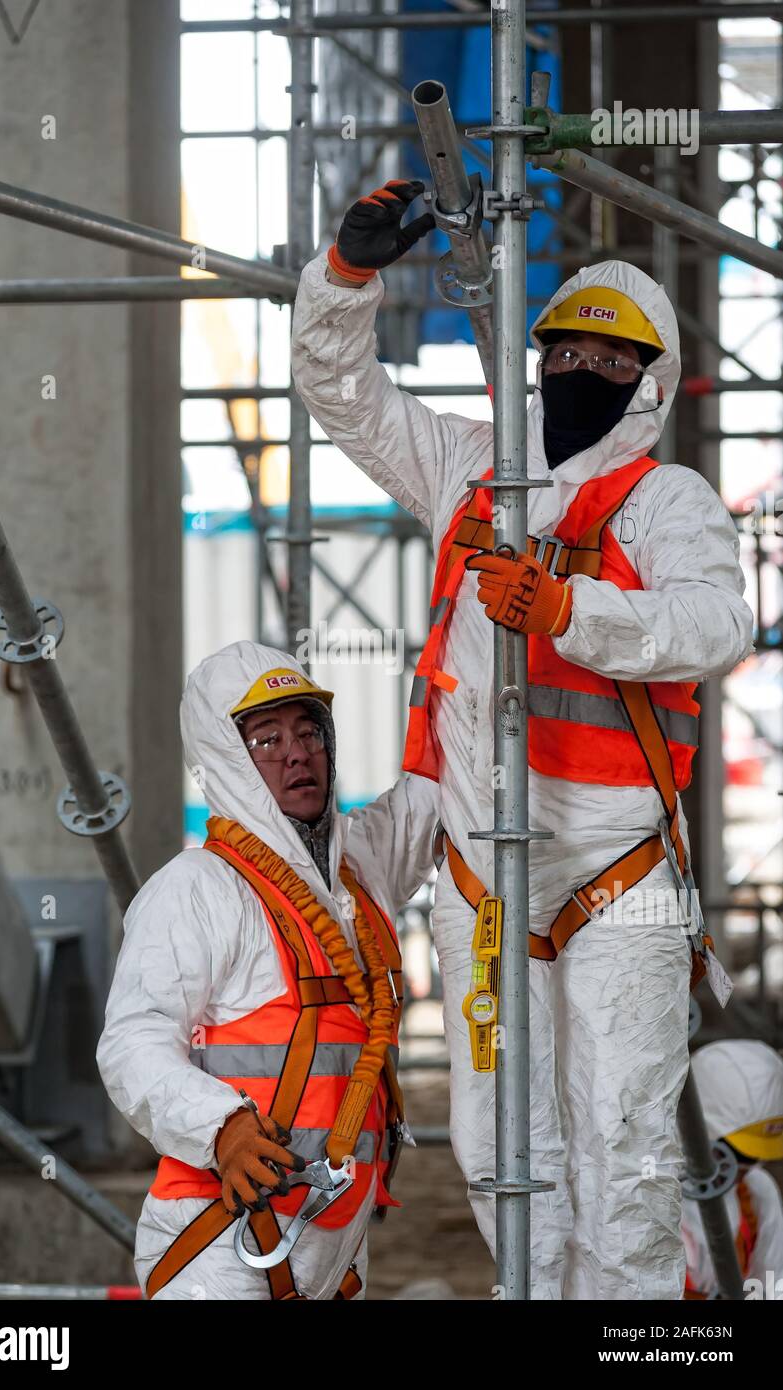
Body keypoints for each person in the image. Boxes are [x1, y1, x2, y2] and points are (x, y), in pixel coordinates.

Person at [291, 178, 755, 1299]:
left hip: (617, 882)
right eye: (559, 353)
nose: (575, 378)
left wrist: (568, 612)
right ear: (532, 355)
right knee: (504, 1158)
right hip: (481, 880)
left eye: (606, 363)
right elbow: (344, 396)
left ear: (646, 382)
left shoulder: (663, 501)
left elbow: (713, 623)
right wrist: (344, 279)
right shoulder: (469, 468)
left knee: (625, 1153)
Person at [97, 640, 439, 1300]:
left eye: (309, 730)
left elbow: (434, 792)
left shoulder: (356, 868)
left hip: (335, 1247)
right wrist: (219, 1126)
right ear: (227, 759)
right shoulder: (197, 888)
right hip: (219, 1248)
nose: (296, 751)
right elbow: (132, 1045)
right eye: (266, 738)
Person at [682, 1039, 783, 1300]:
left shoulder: (756, 1192)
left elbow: (772, 1289)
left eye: (755, 1157)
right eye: (737, 1153)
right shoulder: (649, 1190)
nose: (744, 1169)